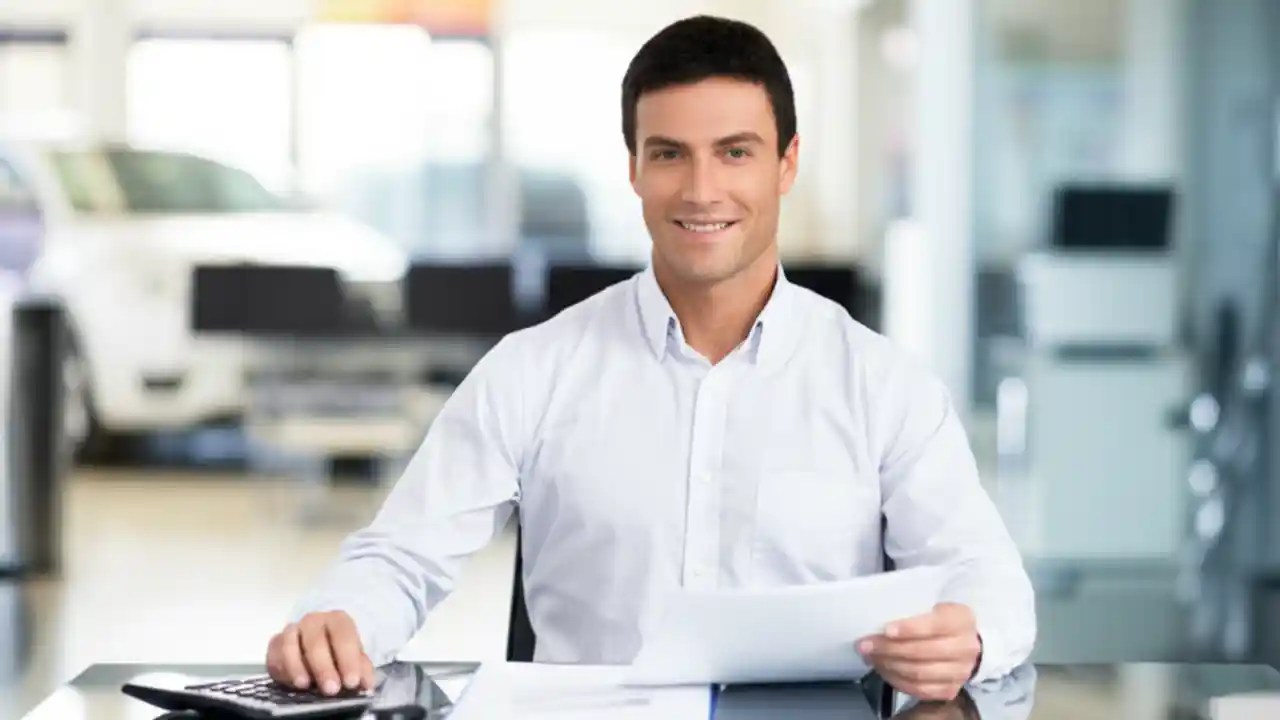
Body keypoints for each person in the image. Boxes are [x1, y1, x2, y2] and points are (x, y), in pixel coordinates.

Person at [265, 15, 1036, 702]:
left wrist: (967, 639)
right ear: (633, 166)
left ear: (787, 163)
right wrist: (338, 623)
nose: (701, 190)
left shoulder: (883, 385)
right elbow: (401, 556)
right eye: (670, 154)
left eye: (736, 152)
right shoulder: (533, 368)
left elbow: (989, 581)